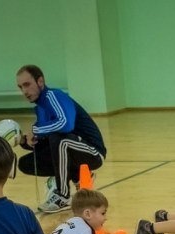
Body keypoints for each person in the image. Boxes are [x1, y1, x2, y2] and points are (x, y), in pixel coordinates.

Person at [13, 64, 106, 214]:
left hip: (93, 152)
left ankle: (62, 195)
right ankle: (78, 176)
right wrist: (25, 141)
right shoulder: (40, 108)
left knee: (59, 139)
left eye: (27, 85)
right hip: (71, 148)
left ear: (40, 82)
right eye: (20, 87)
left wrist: (36, 129)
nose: (24, 91)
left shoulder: (53, 96)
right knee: (26, 163)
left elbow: (65, 124)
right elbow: (44, 141)